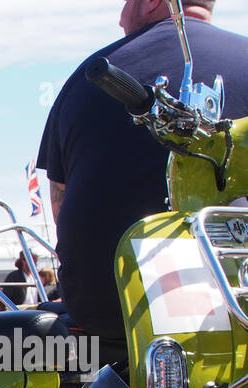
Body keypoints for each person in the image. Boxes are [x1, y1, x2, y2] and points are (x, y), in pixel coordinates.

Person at [37, 1, 248, 341]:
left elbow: (60, 204)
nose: (121, 19)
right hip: (237, 313)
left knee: (21, 346)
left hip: (107, 319)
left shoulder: (92, 75)